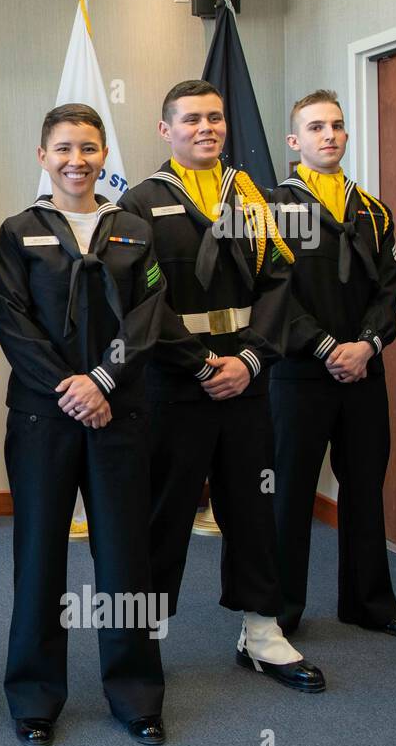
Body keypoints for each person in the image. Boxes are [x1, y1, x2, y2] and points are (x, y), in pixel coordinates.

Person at [119, 79, 326, 692]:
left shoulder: (252, 197)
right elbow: (141, 300)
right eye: (190, 119)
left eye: (214, 118)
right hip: (174, 384)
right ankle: (145, 641)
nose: (205, 127)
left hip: (247, 381)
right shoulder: (138, 202)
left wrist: (250, 361)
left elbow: (278, 284)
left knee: (253, 508)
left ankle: (262, 633)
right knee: (163, 512)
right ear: (166, 129)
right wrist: (201, 365)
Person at [0, 104, 167, 746]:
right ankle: (35, 697)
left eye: (89, 148)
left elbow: (147, 317)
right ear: (43, 157)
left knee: (125, 555)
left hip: (119, 413)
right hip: (44, 417)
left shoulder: (134, 230)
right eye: (63, 148)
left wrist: (103, 382)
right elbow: (11, 320)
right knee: (38, 555)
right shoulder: (18, 231)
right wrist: (71, 388)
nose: (77, 160)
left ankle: (136, 693)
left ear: (103, 157)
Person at [268, 90, 396, 639]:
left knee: (363, 487)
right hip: (299, 375)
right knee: (290, 492)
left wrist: (364, 346)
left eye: (336, 126)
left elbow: (388, 292)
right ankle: (281, 613)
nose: (328, 135)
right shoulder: (270, 208)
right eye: (315, 128)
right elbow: (274, 296)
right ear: (295, 142)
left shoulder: (374, 211)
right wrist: (328, 347)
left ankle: (369, 603)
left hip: (363, 373)